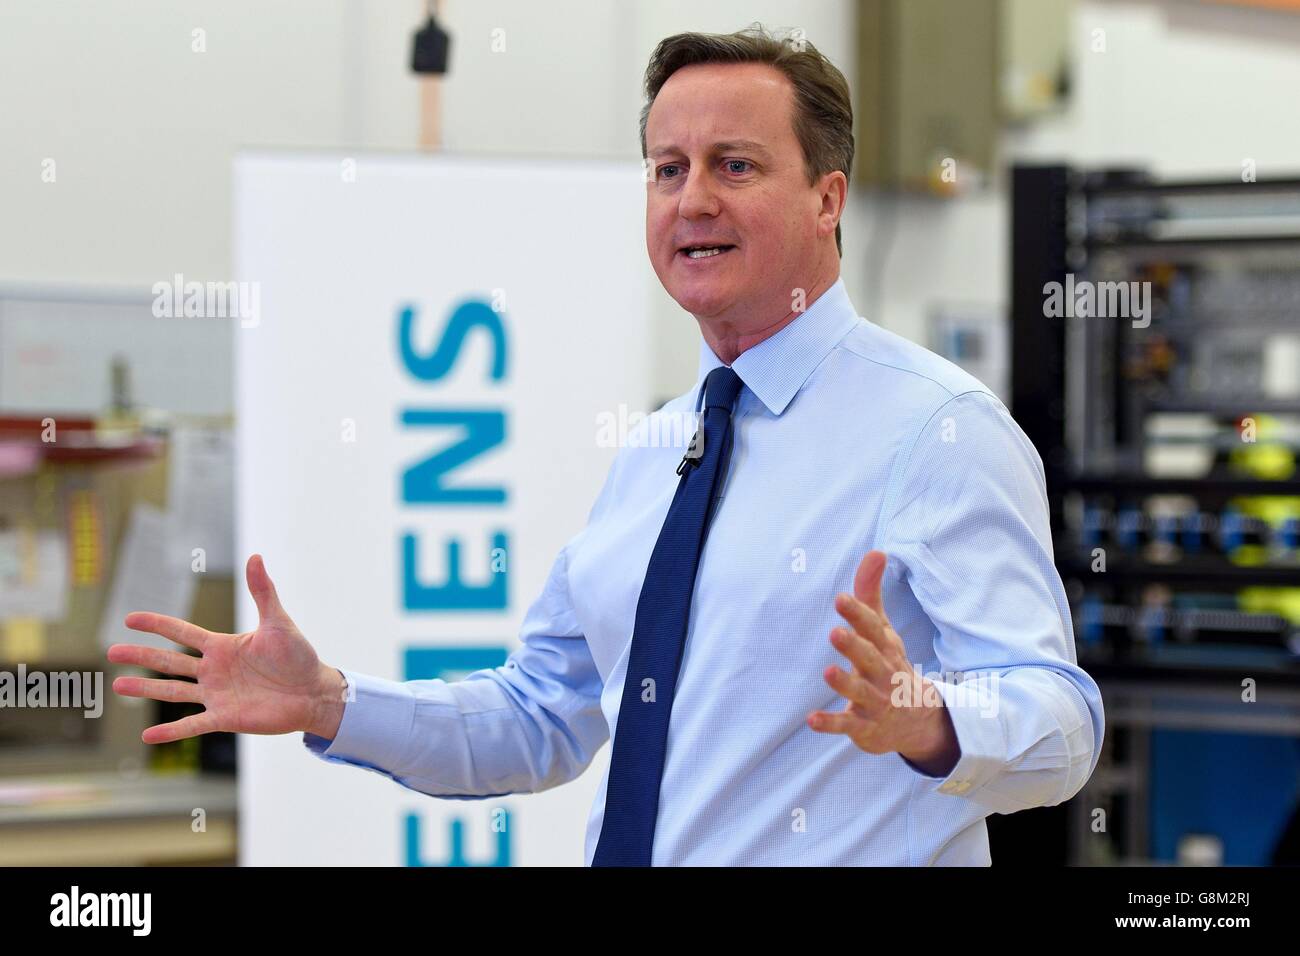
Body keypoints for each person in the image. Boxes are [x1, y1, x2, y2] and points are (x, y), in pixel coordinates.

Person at [108, 24, 1104, 866]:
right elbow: (537, 717)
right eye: (667, 169)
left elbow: (1061, 723)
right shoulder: (661, 447)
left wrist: (929, 717)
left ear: (829, 199)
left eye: (735, 165)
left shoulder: (936, 431)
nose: (691, 199)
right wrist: (329, 700)